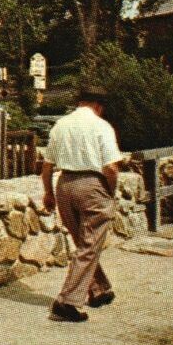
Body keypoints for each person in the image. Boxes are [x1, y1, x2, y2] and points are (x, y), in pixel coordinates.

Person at [41, 86, 122, 323]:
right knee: (89, 245)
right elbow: (111, 168)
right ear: (99, 105)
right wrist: (110, 190)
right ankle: (66, 302)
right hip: (91, 184)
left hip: (64, 183)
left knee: (83, 243)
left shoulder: (61, 125)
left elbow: (46, 166)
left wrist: (49, 194)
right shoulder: (101, 126)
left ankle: (99, 290)